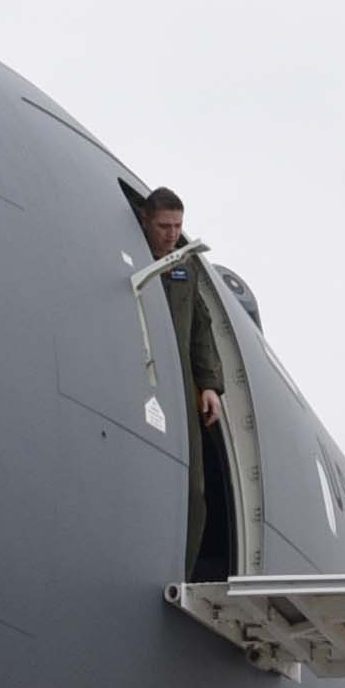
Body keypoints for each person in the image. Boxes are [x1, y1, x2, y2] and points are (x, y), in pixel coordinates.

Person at [138, 186, 245, 581]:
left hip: (180, 384)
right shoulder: (127, 252)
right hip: (143, 372)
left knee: (193, 490)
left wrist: (210, 385)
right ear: (146, 221)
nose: (171, 234)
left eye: (178, 226)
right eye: (164, 226)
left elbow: (201, 326)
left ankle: (179, 572)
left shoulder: (185, 266)